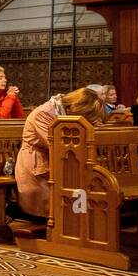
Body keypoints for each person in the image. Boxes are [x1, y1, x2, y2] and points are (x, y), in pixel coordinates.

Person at [12, 87, 105, 221]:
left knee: (81, 185)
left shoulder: (66, 112)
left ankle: (78, 225)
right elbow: (58, 144)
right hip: (38, 163)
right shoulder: (44, 113)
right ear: (78, 108)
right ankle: (62, 226)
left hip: (62, 160)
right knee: (49, 208)